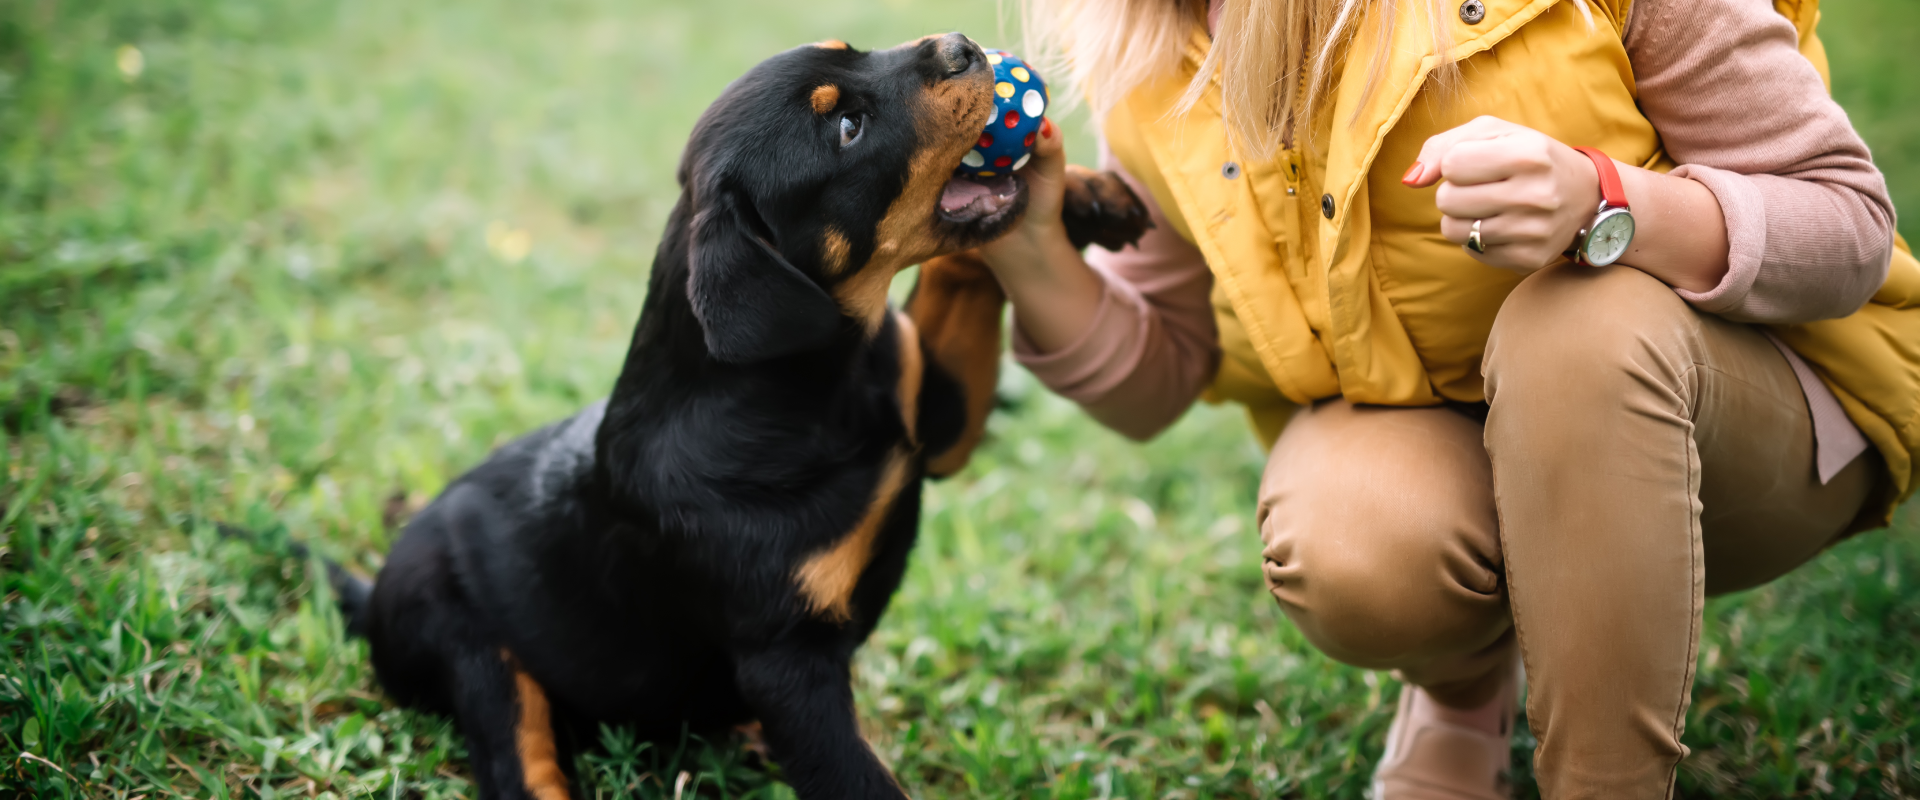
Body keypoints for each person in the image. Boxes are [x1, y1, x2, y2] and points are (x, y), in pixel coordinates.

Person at [981, 0, 1919, 796]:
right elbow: (1164, 372)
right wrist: (1027, 246)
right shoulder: (1151, 33)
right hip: (1450, 427)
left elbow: (1845, 224)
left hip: (1747, 409)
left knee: (1571, 333)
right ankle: (1464, 684)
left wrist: (1603, 200)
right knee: (1351, 539)